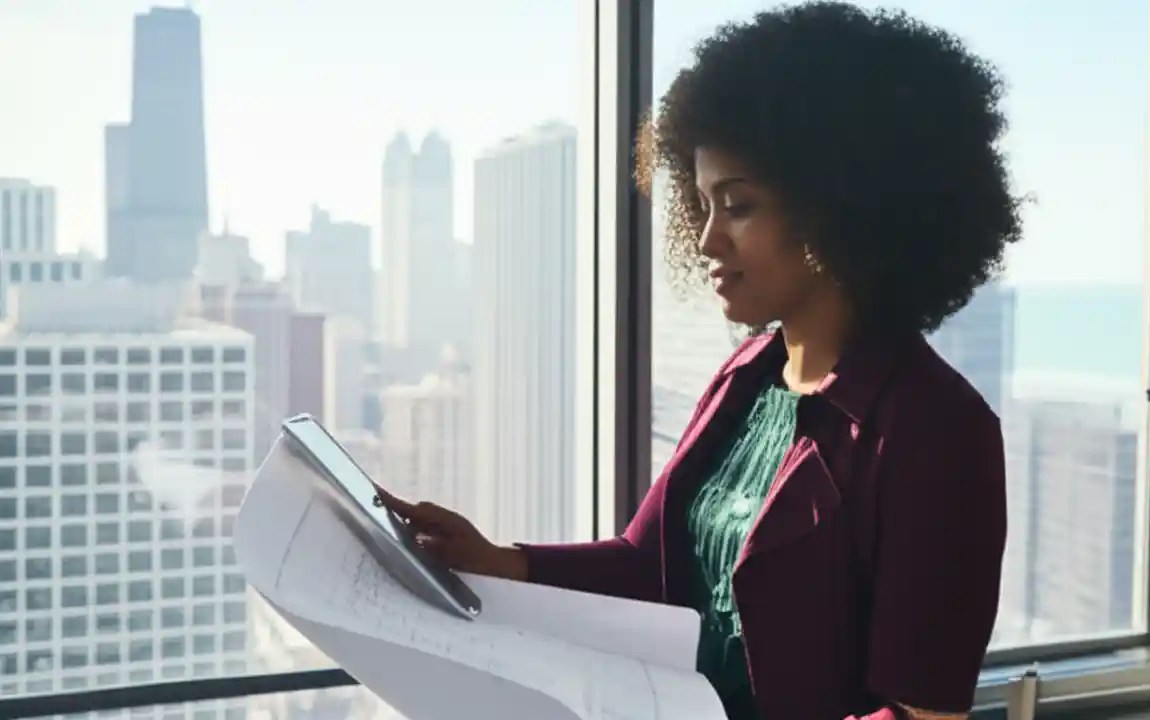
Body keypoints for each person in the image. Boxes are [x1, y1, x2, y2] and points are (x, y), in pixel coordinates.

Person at [378, 3, 1020, 718]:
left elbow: (921, 715)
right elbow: (647, 567)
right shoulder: (744, 378)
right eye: (703, 206)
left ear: (837, 209)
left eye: (738, 206)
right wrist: (502, 563)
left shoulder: (936, 430)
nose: (708, 240)